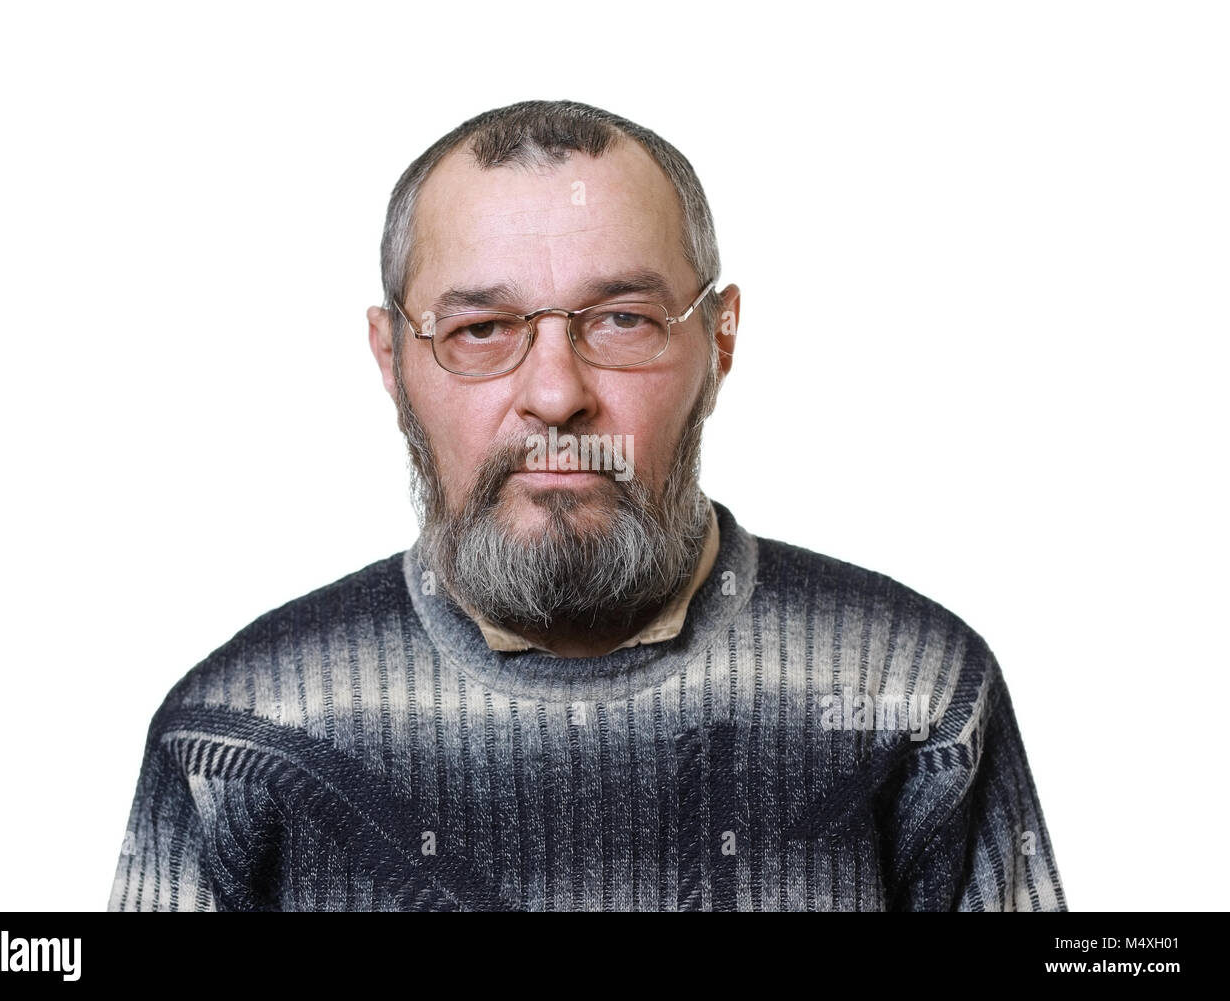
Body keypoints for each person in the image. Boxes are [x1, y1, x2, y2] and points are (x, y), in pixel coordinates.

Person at [107, 99, 1066, 911]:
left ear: (720, 342)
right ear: (391, 358)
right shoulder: (238, 735)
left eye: (621, 320)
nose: (556, 393)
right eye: (481, 328)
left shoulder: (917, 691)